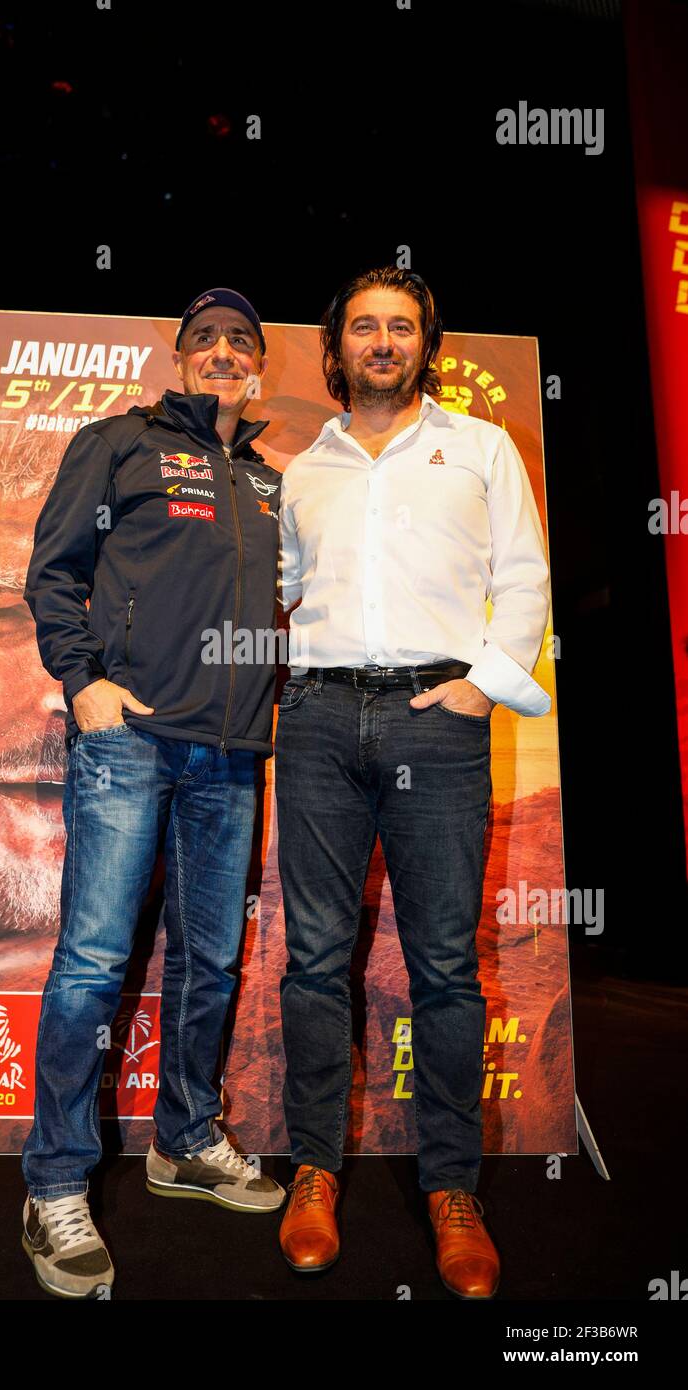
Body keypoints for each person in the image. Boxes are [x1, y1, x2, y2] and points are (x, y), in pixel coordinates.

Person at [275, 266, 552, 1298]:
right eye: (362, 327)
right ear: (335, 350)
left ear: (421, 344)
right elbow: (288, 591)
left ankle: (450, 1188)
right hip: (313, 720)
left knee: (441, 964)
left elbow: (521, 576)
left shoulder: (478, 448)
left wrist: (483, 687)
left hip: (435, 720)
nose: (380, 341)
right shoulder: (305, 467)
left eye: (398, 326)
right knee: (312, 959)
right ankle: (312, 1168)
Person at [20, 288, 285, 1299]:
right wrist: (82, 681)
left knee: (210, 961)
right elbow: (54, 573)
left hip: (231, 755)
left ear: (256, 364)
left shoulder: (265, 479)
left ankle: (184, 1139)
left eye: (239, 342)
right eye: (204, 340)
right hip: (128, 740)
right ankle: (53, 1183)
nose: (222, 352)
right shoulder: (117, 442)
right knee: (92, 963)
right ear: (180, 359)